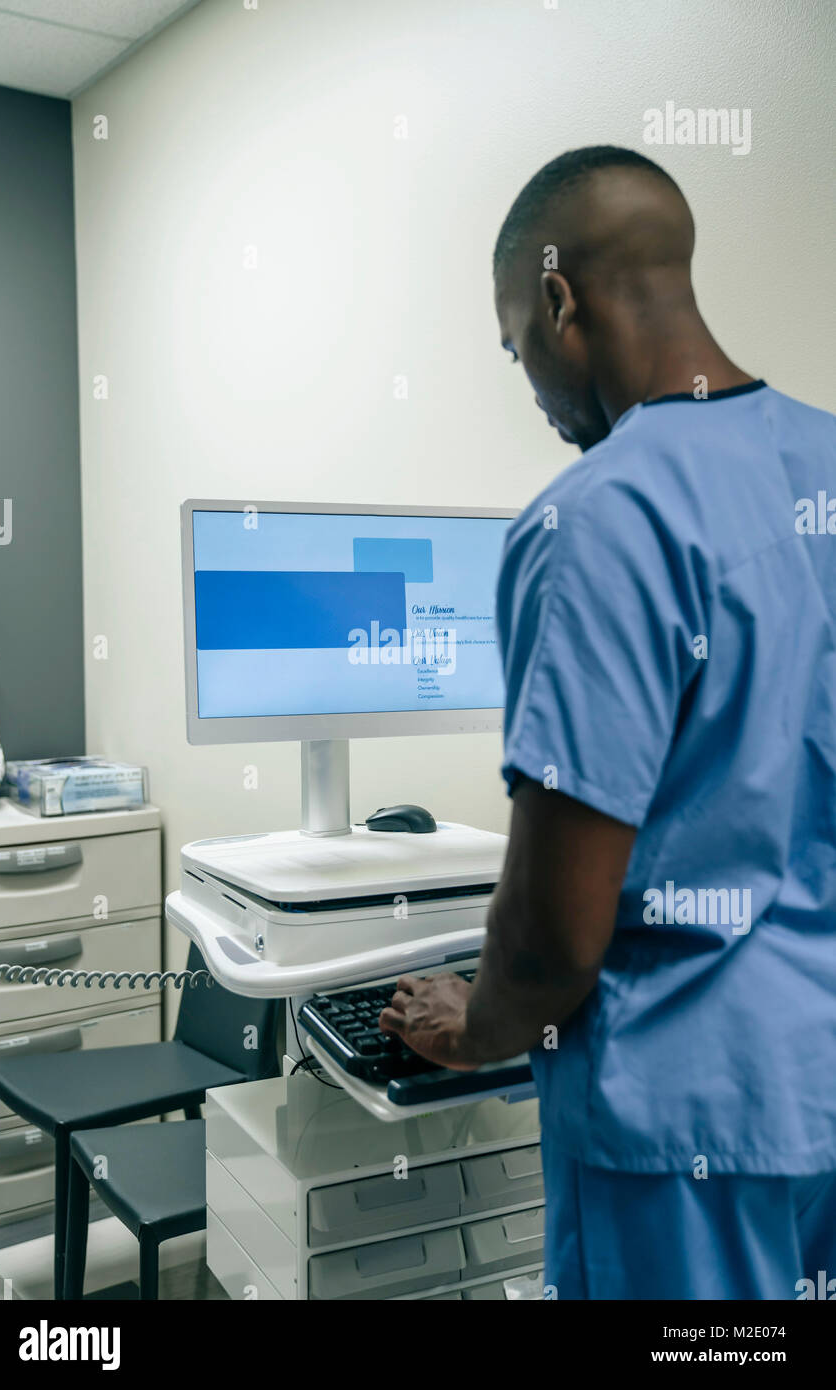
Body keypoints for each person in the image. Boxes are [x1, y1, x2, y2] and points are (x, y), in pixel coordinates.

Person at [378, 146, 836, 1300]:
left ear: (557, 298)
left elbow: (553, 938)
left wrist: (477, 1023)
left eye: (512, 340)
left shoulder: (597, 519)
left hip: (685, 1128)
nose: (528, 379)